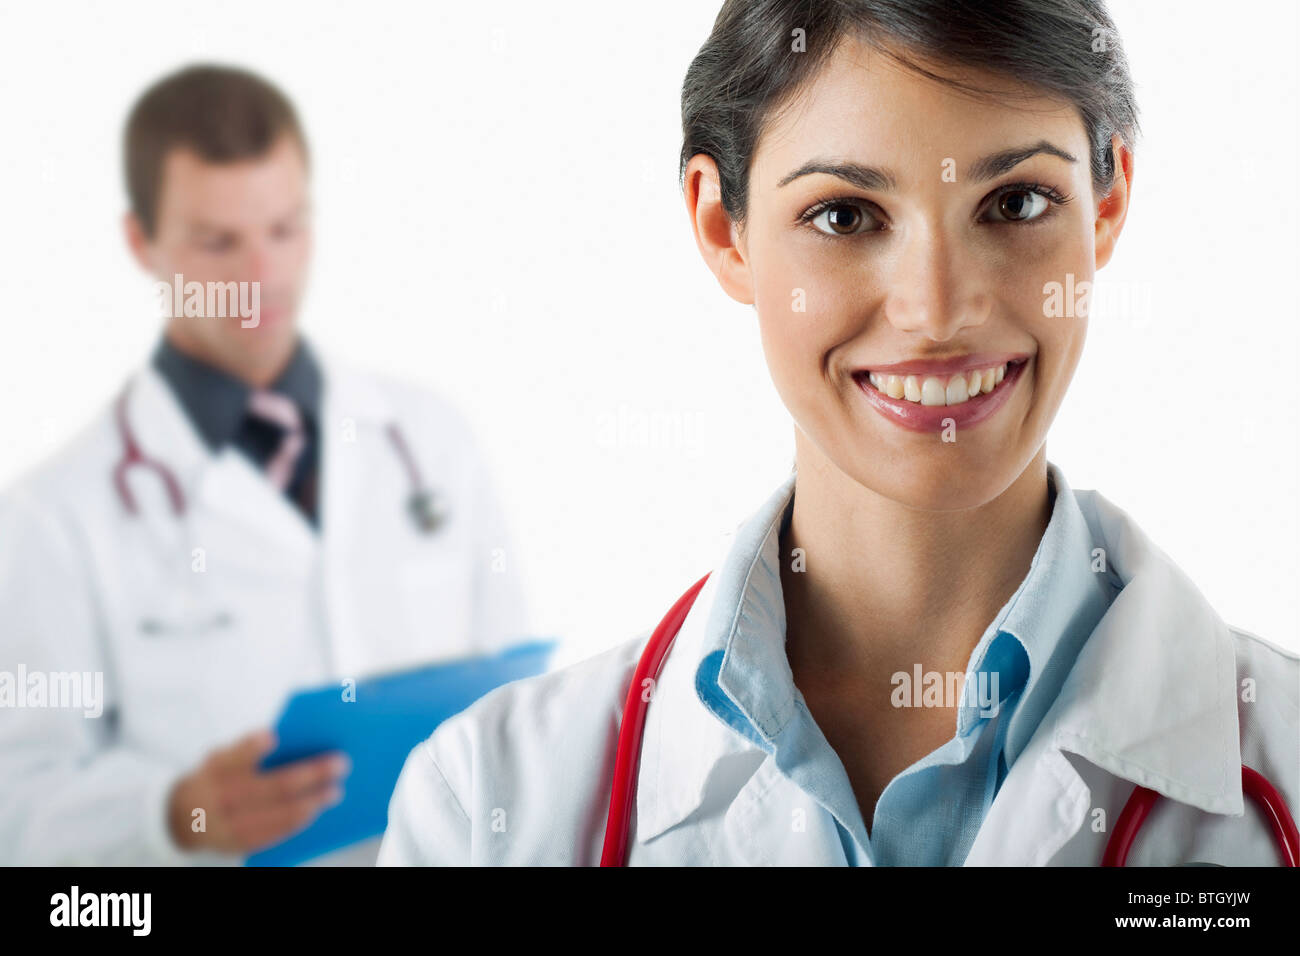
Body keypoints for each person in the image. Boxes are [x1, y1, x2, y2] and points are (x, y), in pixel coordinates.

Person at [377, 0, 1297, 866]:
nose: (937, 311)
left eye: (1015, 202)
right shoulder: (487, 807)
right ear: (722, 226)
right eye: (845, 216)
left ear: (1106, 203)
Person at [0, 64, 531, 865]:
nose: (263, 278)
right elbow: (18, 809)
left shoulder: (428, 439)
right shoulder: (54, 517)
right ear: (140, 242)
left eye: (285, 229)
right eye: (219, 242)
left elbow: (516, 714)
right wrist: (174, 813)